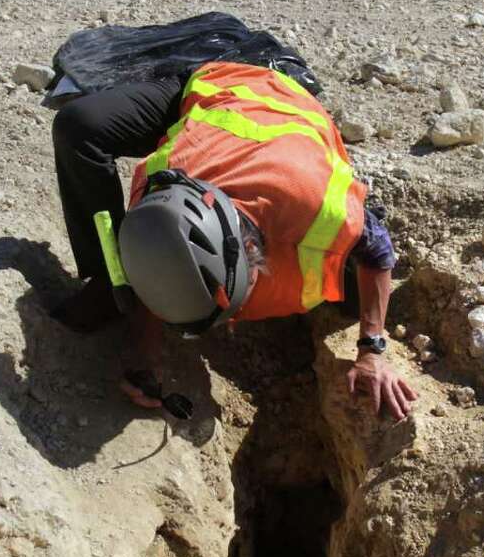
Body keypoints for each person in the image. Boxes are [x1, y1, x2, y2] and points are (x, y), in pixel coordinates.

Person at [50, 62, 415, 422]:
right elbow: (161, 264)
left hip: (265, 93)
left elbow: (378, 251)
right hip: (216, 102)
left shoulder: (318, 206)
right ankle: (106, 285)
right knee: (78, 126)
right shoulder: (158, 198)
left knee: (352, 299)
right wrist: (147, 356)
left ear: (252, 251)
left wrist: (372, 349)